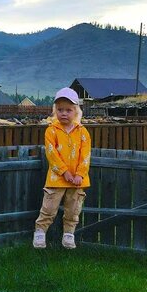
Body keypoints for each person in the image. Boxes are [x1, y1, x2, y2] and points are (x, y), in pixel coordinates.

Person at [33, 87, 91, 250]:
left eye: (68, 110)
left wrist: (79, 174)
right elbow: (51, 154)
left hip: (78, 180)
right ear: (55, 111)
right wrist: (65, 172)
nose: (64, 113)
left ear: (76, 111)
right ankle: (40, 232)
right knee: (49, 208)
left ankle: (69, 234)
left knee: (73, 210)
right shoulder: (51, 131)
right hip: (56, 179)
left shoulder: (83, 132)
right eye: (60, 110)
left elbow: (85, 155)